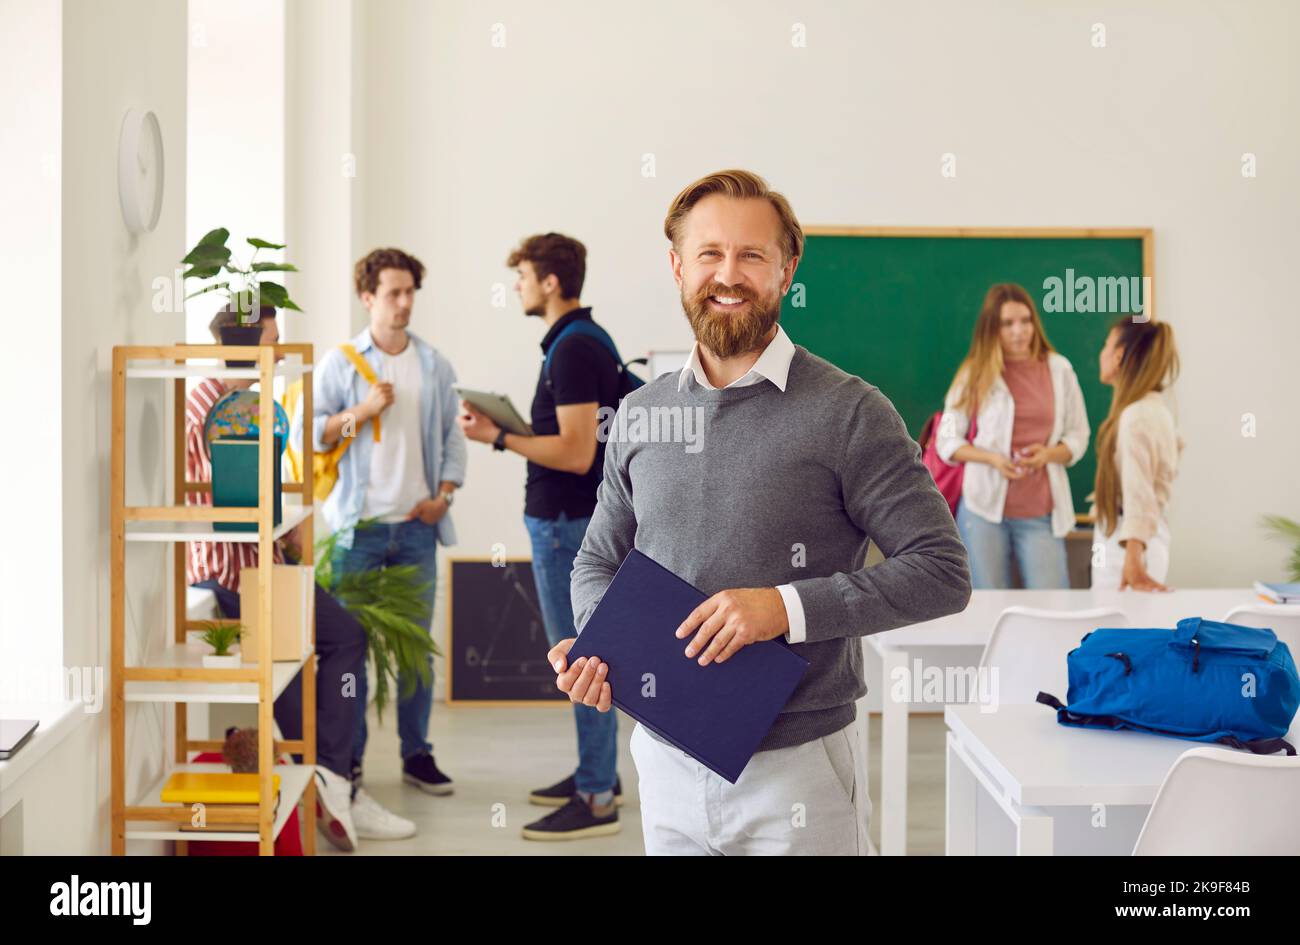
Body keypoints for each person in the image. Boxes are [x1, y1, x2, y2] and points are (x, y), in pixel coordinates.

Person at [552, 169, 972, 855]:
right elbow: (599, 557)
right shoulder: (639, 413)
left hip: (799, 770)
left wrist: (783, 607)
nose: (729, 274)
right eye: (710, 254)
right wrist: (599, 647)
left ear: (786, 268)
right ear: (677, 266)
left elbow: (942, 570)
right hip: (663, 758)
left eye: (751, 255)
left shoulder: (850, 411)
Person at [188, 307, 408, 851]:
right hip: (233, 573)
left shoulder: (253, 401)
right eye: (272, 341)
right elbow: (213, 496)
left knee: (329, 646)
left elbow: (268, 487)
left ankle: (331, 781)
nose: (281, 353)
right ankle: (332, 783)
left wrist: (288, 532)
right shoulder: (205, 404)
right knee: (305, 659)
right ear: (240, 344)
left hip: (268, 566)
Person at [458, 233, 626, 841]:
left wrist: (499, 437)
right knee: (588, 653)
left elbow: (578, 453)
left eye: (523, 275)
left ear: (551, 281)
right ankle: (599, 771)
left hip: (567, 527)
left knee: (581, 658)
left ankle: (596, 796)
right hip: (570, 523)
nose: (517, 287)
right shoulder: (581, 339)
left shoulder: (574, 347)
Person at [298, 247, 466, 807]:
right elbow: (313, 434)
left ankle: (416, 754)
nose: (404, 302)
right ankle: (348, 763)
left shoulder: (434, 364)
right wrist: (362, 413)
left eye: (410, 291)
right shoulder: (340, 363)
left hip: (416, 528)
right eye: (393, 293)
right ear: (368, 297)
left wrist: (444, 495)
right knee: (353, 653)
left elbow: (452, 437)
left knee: (415, 651)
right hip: (358, 532)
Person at [935, 283, 1090, 589]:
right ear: (993, 329)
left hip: (1041, 513)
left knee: (1052, 606)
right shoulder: (975, 373)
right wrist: (991, 458)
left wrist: (1048, 455)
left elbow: (1079, 434)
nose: (1019, 331)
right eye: (1008, 324)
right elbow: (947, 440)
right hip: (983, 512)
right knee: (988, 607)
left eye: (1025, 320)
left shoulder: (1059, 370)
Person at [1091, 316, 1182, 591]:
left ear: (1118, 356)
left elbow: (1139, 492)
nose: (1101, 353)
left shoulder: (1136, 416)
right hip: (1137, 537)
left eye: (1106, 345)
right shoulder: (1151, 409)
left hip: (1129, 545)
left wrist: (1133, 559)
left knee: (1119, 631)